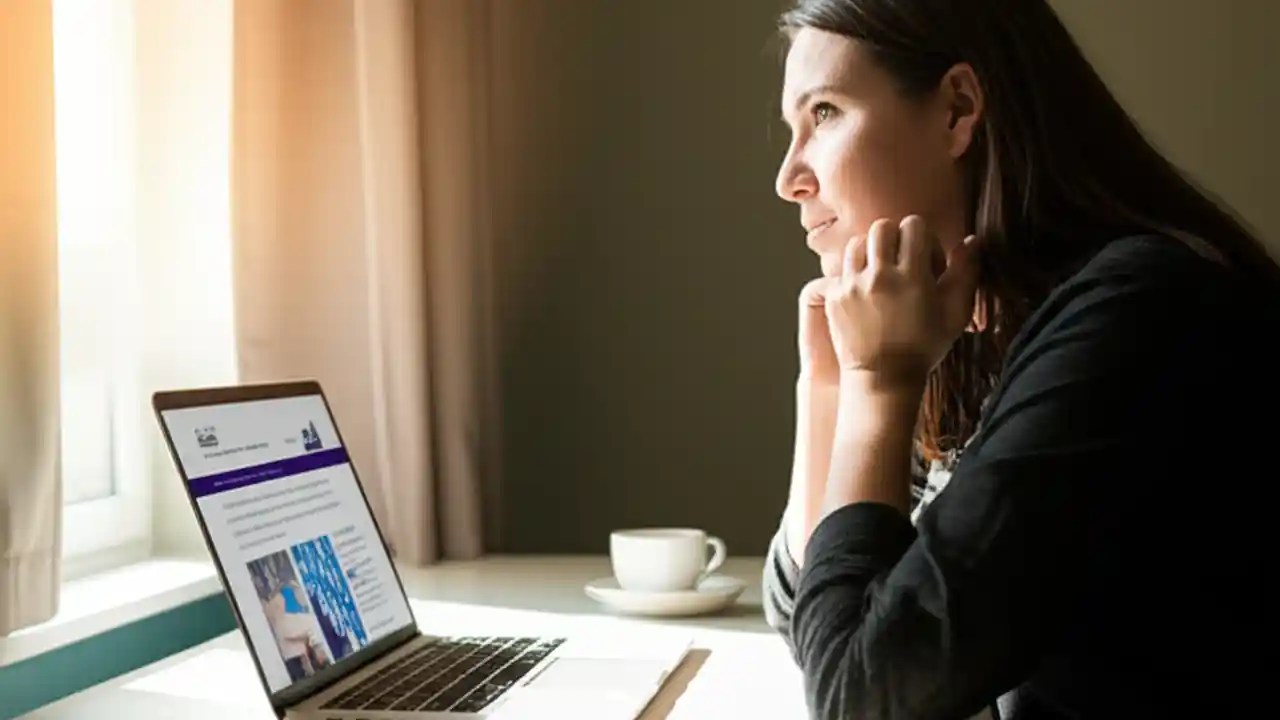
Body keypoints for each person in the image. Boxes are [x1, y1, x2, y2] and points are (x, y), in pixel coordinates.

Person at [761, 1, 1280, 718]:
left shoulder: (1138, 314)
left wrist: (876, 385)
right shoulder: (967, 323)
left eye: (824, 113)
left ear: (957, 109)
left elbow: (860, 694)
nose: (790, 177)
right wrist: (828, 389)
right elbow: (807, 617)